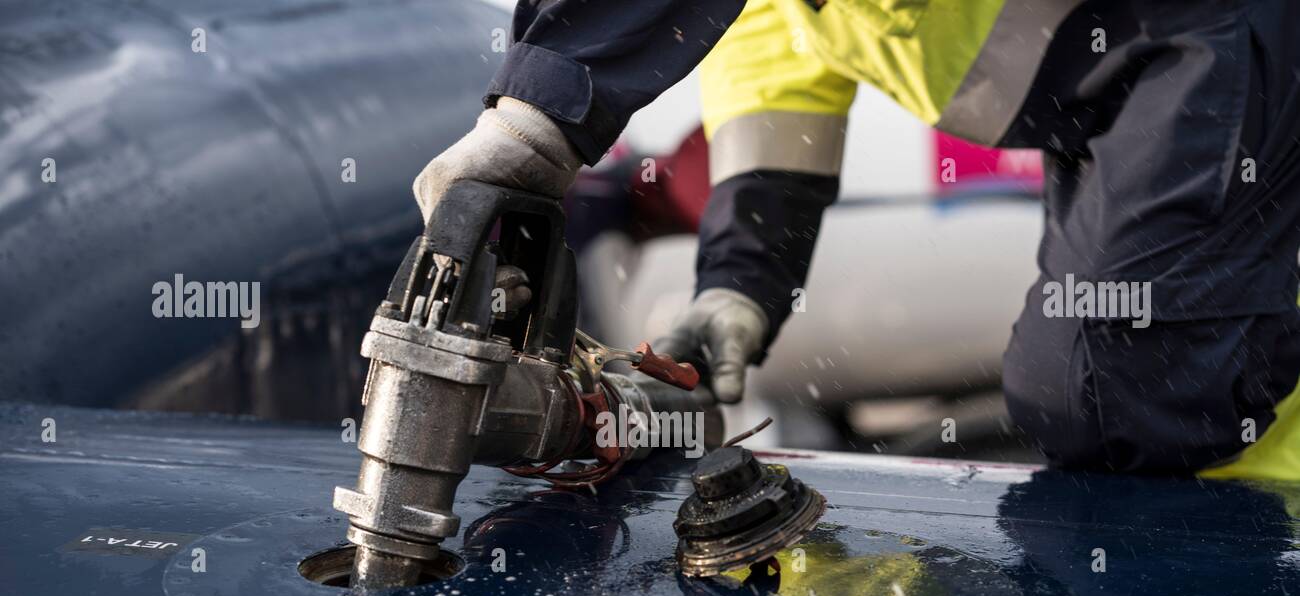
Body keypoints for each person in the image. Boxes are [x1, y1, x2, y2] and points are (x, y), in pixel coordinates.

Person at [412, 0, 1300, 478]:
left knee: (1112, 387)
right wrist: (740, 283)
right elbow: (776, 74)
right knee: (1100, 391)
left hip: (1215, 34)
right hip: (1120, 90)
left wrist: (544, 112)